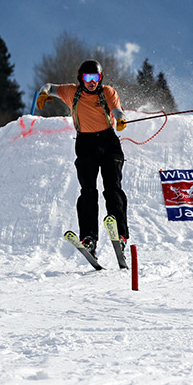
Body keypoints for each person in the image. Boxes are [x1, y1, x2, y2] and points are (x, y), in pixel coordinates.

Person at [36, 59, 129, 256]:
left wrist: (120, 118)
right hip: (85, 144)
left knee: (113, 188)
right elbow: (49, 87)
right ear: (81, 78)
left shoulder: (107, 92)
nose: (92, 82)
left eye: (95, 77)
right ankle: (89, 238)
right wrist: (43, 93)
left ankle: (120, 235)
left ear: (100, 78)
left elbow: (116, 109)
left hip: (109, 143)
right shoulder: (72, 92)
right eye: (88, 77)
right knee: (87, 191)